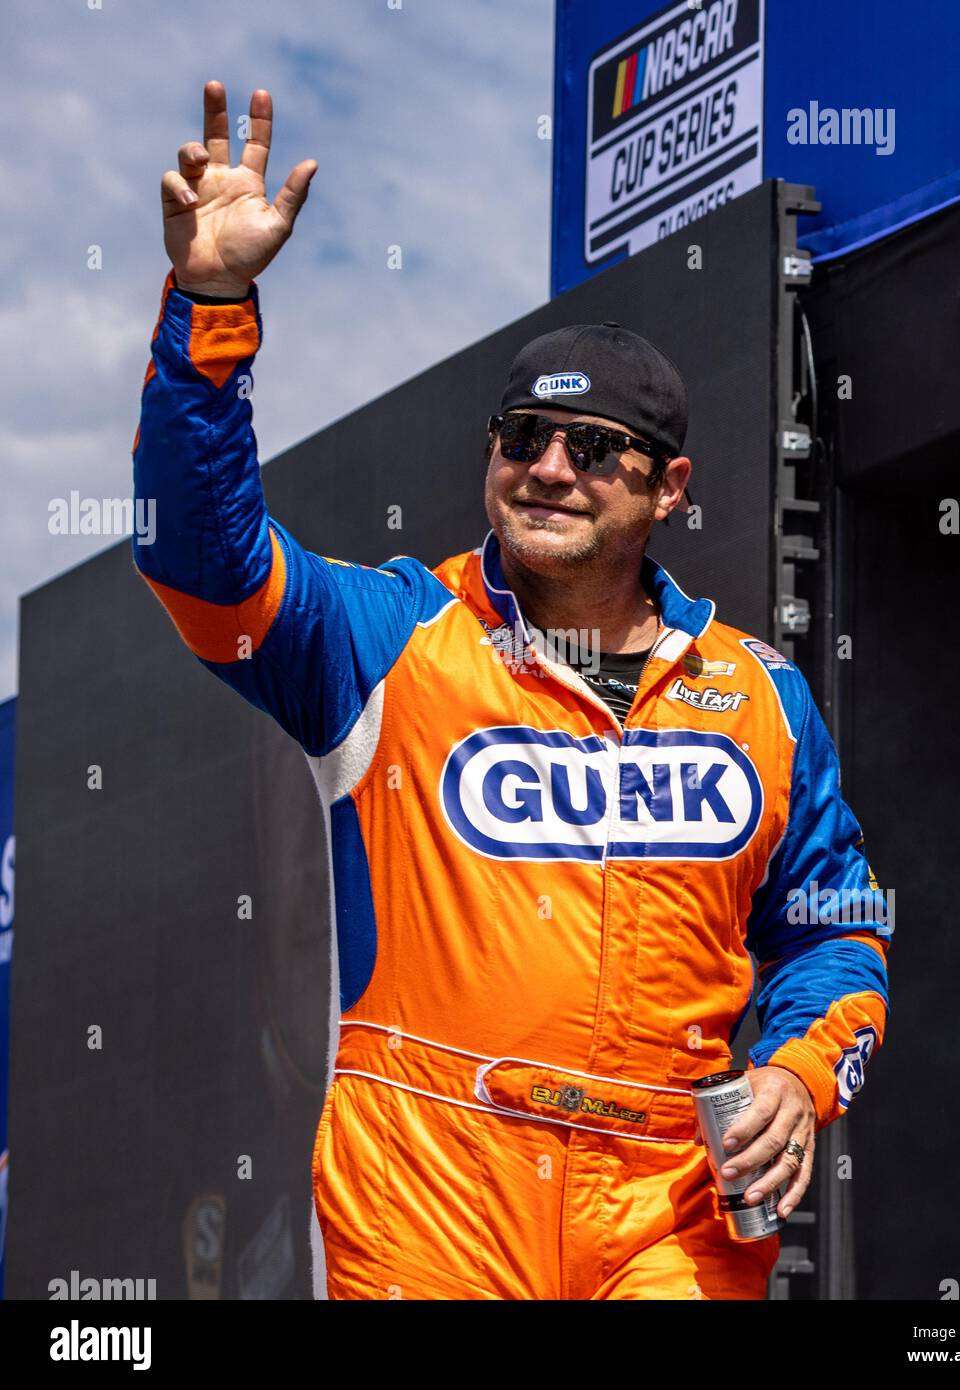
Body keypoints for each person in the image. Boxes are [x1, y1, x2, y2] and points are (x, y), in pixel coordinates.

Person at [133, 81, 891, 1301]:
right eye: (520, 437)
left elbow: (837, 929)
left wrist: (802, 1074)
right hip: (427, 1189)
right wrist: (212, 311)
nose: (547, 468)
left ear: (670, 488)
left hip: (665, 1208)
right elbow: (199, 561)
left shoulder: (762, 697)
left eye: (594, 451)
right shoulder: (392, 635)